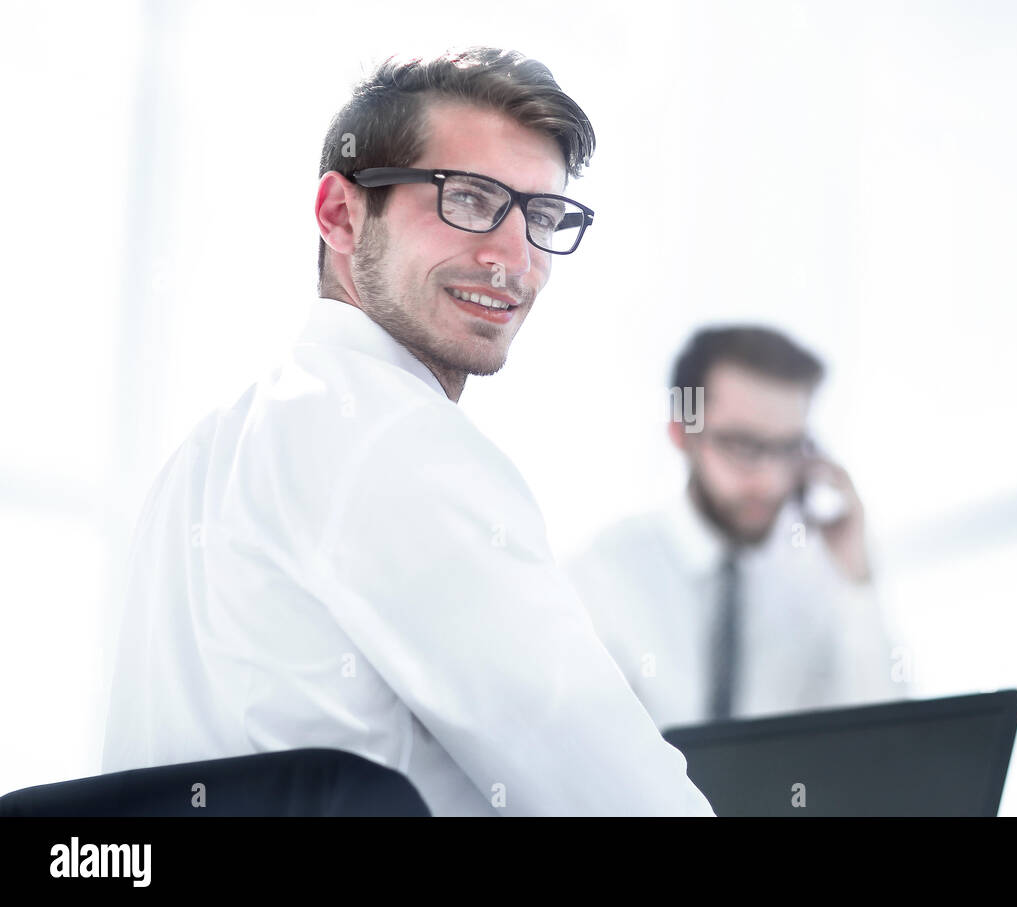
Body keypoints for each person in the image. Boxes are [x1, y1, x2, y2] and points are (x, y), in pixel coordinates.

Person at [101, 48, 714, 817]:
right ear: (340, 214)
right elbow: (625, 801)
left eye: (544, 217)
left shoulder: (199, 462)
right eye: (469, 198)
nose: (515, 260)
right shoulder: (395, 439)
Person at [565, 327, 909, 730]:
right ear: (682, 433)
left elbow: (884, 738)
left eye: (789, 448)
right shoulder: (605, 574)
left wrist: (855, 581)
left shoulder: (818, 574)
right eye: (745, 448)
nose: (772, 480)